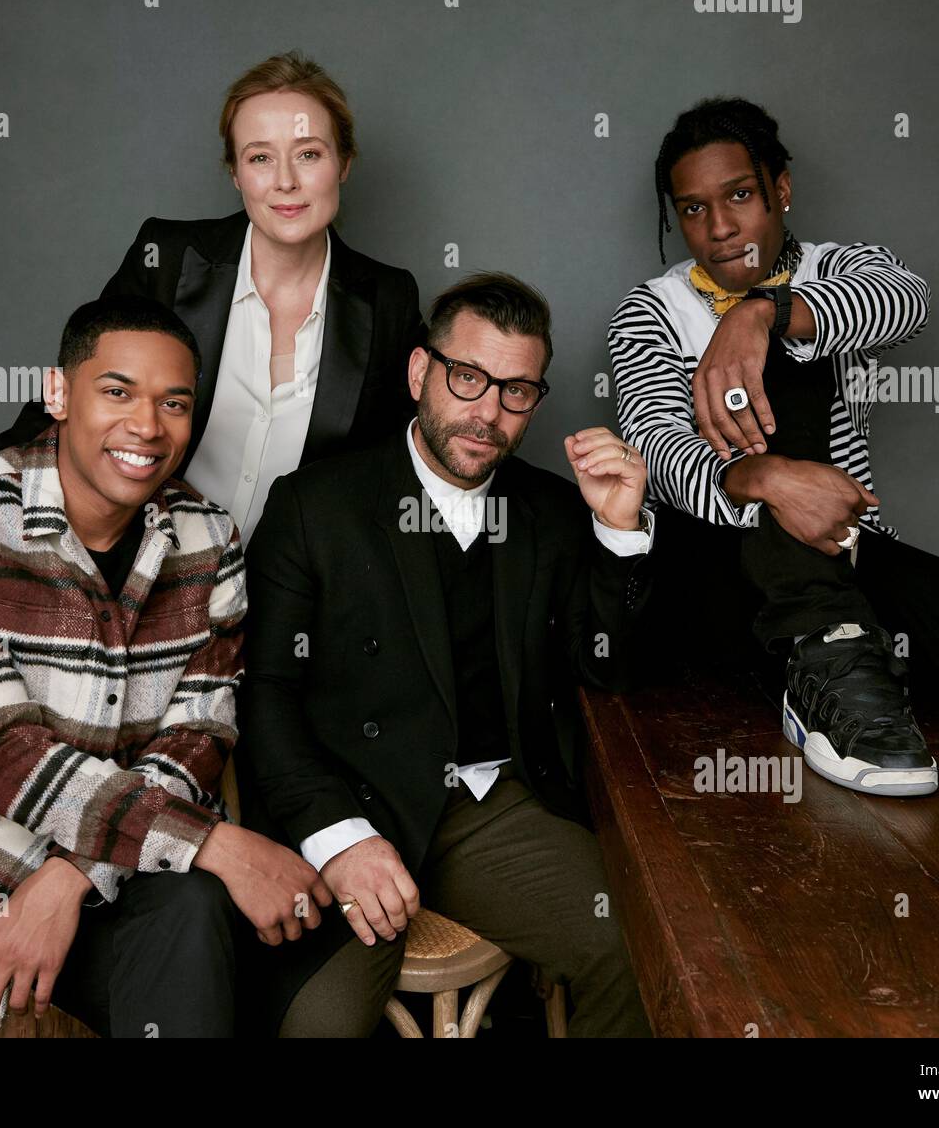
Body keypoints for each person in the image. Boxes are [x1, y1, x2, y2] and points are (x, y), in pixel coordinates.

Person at [0, 295, 332, 1037]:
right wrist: (215, 843)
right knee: (200, 897)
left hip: (138, 872)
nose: (147, 427)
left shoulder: (210, 540)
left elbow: (197, 740)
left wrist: (73, 876)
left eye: (173, 403)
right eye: (116, 392)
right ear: (58, 394)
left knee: (194, 908)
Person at [609, 96, 939, 795]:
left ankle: (837, 652)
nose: (719, 229)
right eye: (692, 210)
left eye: (740, 196)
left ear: (781, 188)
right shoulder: (650, 311)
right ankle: (828, 644)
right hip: (716, 578)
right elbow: (656, 451)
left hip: (848, 550)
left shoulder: (841, 268)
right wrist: (768, 479)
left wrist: (765, 313)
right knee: (781, 371)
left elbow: (907, 301)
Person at [240, 273, 655, 1037]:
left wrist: (620, 536)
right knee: (317, 1025)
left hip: (487, 809)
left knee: (638, 952)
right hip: (351, 804)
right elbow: (264, 694)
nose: (488, 412)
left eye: (517, 391)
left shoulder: (555, 511)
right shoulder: (314, 505)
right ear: (418, 372)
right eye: (468, 377)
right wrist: (339, 840)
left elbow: (607, 671)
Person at [0, 51, 423, 544]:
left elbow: (404, 458)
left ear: (345, 163)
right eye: (260, 157)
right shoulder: (170, 258)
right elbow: (80, 384)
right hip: (157, 570)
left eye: (309, 154)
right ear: (235, 173)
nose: (285, 181)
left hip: (301, 600)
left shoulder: (388, 299)